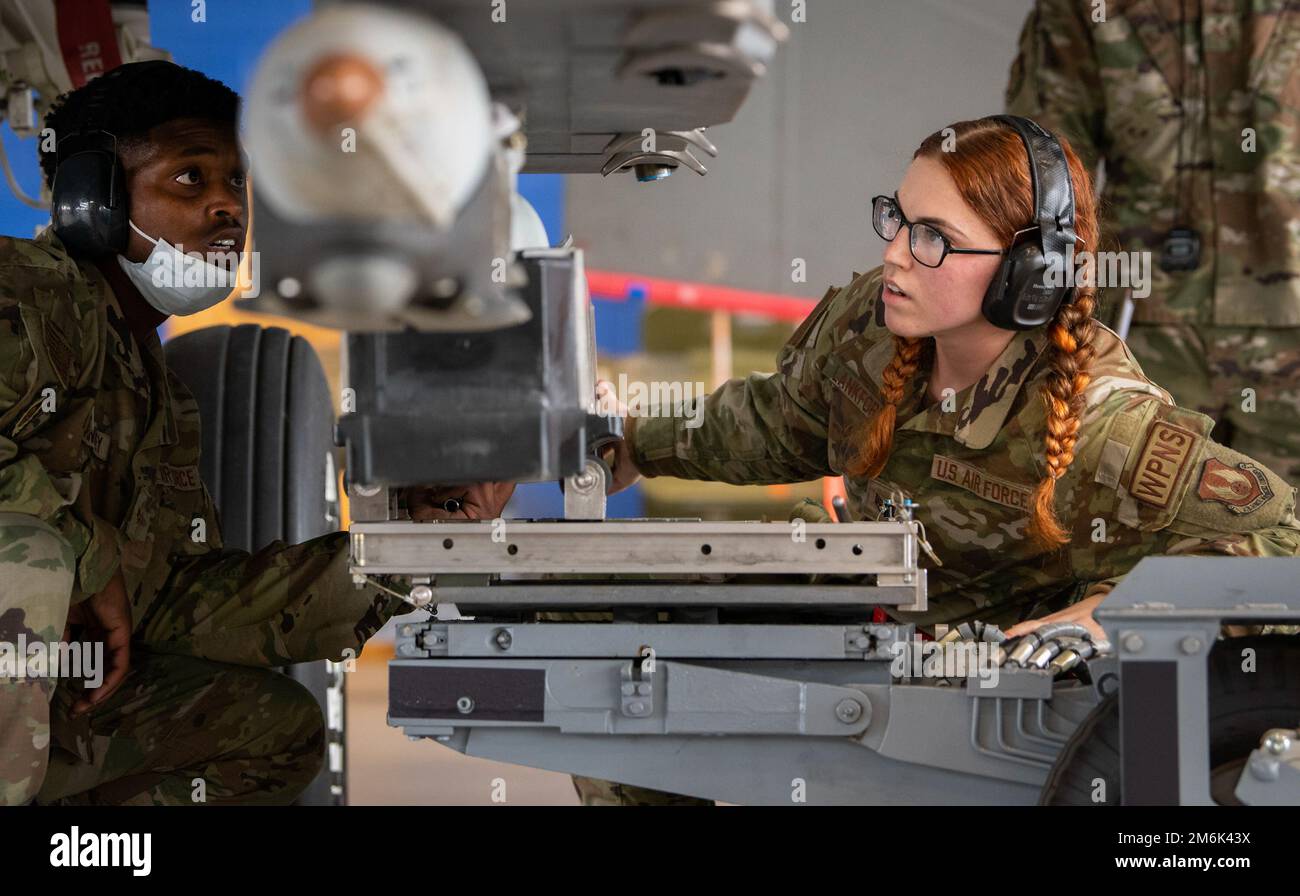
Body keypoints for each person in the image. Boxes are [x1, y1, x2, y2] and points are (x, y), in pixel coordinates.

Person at [606, 114, 1300, 645]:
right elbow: (780, 420)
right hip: (867, 631)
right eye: (897, 219)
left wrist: (1120, 614)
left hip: (994, 721)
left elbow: (1283, 543)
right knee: (608, 633)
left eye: (932, 236)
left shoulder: (1107, 424)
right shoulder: (871, 321)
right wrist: (631, 443)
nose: (895, 253)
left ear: (1028, 274)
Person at [0, 61, 482, 805]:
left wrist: (410, 542)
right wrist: (85, 553)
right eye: (190, 179)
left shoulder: (156, 392)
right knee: (31, 557)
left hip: (46, 713)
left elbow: (184, 607)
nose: (228, 207)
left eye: (236, 183)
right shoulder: (26, 291)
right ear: (90, 199)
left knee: (269, 730)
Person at [1005, 0, 1300, 484]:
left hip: (1287, 327)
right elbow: (1042, 169)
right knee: (1129, 537)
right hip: (1136, 328)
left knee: (1286, 544)